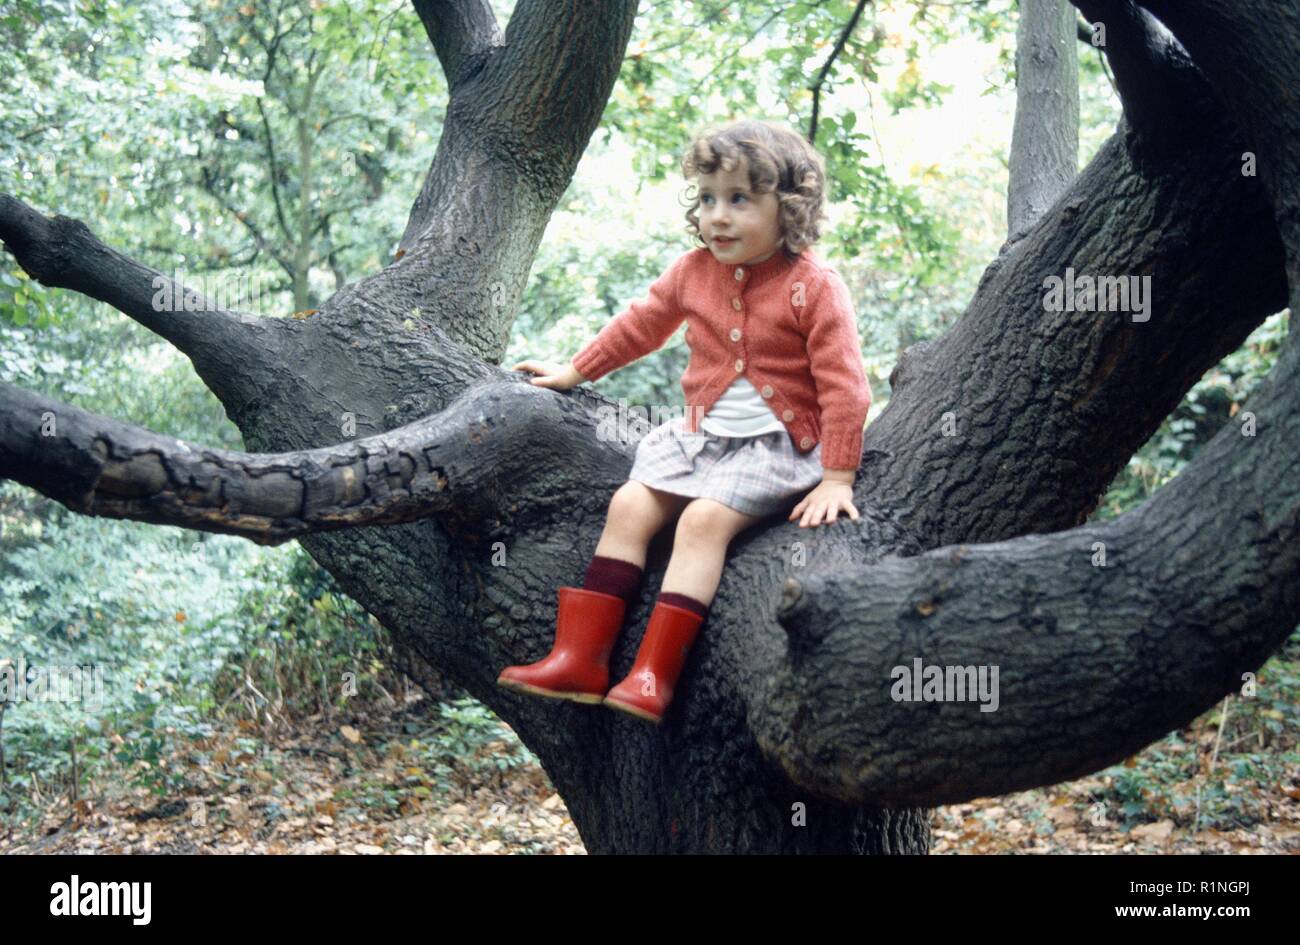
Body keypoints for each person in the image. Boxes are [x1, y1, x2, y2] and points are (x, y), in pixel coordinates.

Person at [498, 119, 872, 724]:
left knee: (700, 523)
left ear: (791, 207)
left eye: (739, 199)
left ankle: (652, 675)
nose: (716, 216)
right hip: (699, 438)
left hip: (777, 447)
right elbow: (640, 324)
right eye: (706, 199)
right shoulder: (692, 271)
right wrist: (576, 370)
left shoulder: (815, 287)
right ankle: (580, 659)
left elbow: (846, 388)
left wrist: (837, 477)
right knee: (628, 506)